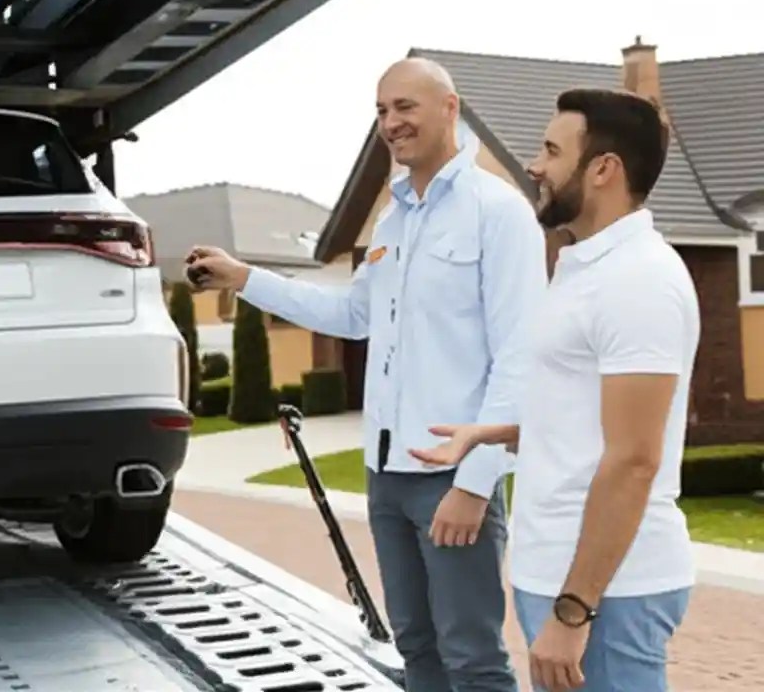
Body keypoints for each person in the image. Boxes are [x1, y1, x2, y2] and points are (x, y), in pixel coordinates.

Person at [183, 58, 546, 691]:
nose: (391, 122)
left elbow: (520, 355)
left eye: (405, 106)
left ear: (450, 108)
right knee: (416, 648)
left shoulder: (499, 211)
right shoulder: (392, 218)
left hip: (450, 477)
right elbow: (352, 314)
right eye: (381, 111)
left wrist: (476, 481)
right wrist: (245, 278)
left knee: (473, 657)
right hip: (387, 477)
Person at [409, 88, 697, 692]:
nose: (535, 166)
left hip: (610, 590)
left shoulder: (638, 280)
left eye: (550, 150)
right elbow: (586, 421)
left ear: (603, 170)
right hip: (562, 573)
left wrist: (574, 610)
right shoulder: (584, 266)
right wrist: (492, 434)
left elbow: (634, 460)